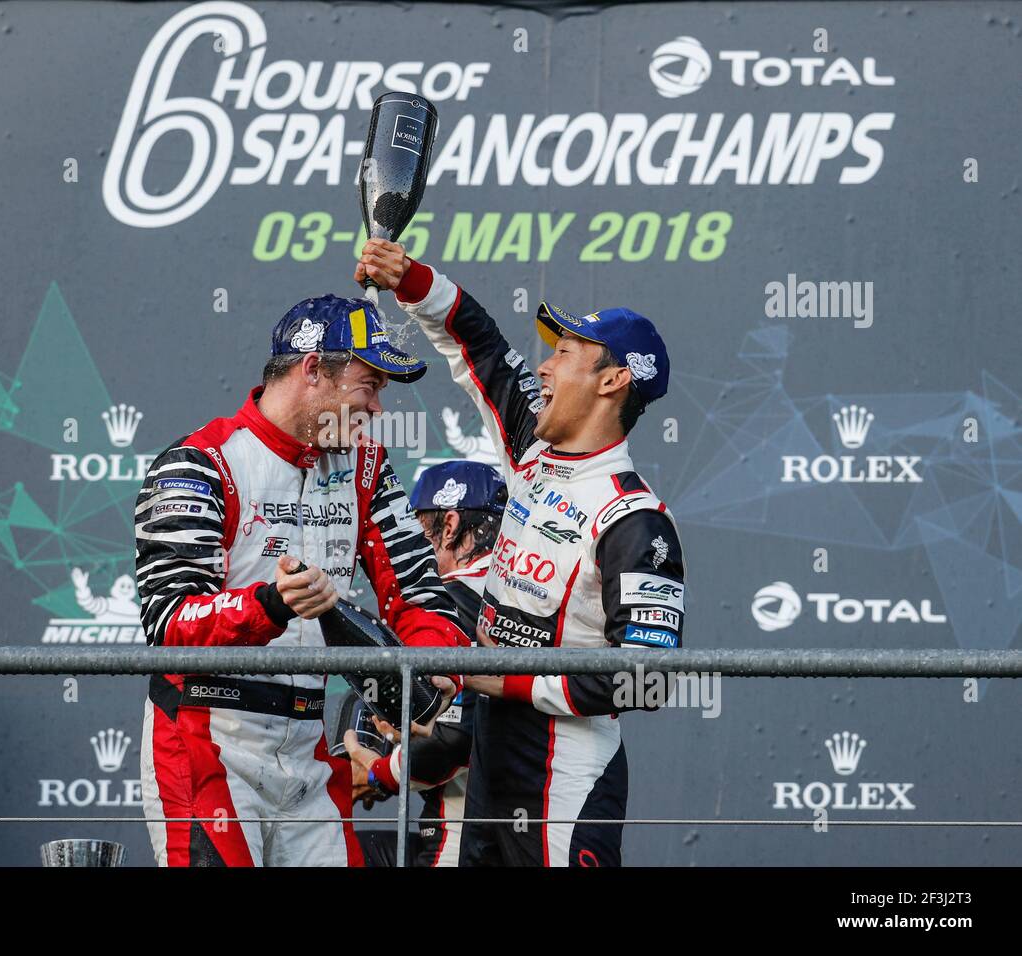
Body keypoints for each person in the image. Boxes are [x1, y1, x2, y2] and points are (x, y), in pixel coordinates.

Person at [357, 240, 686, 868]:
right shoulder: (533, 453)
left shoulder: (634, 519)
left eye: (563, 355)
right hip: (492, 755)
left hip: (568, 771)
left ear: (613, 381)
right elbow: (478, 344)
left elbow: (647, 678)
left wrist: (492, 675)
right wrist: (410, 278)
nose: (543, 367)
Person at [134, 294, 468, 867]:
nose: (379, 408)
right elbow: (167, 624)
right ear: (313, 370)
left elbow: (417, 588)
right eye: (369, 385)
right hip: (208, 739)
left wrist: (428, 665)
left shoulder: (364, 465)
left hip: (308, 745)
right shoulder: (200, 463)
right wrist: (270, 604)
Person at [347, 460, 505, 867]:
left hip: (466, 837)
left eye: (416, 524)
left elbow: (451, 736)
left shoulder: (445, 606)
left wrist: (375, 774)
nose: (410, 544)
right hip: (528, 824)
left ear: (449, 525)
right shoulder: (524, 600)